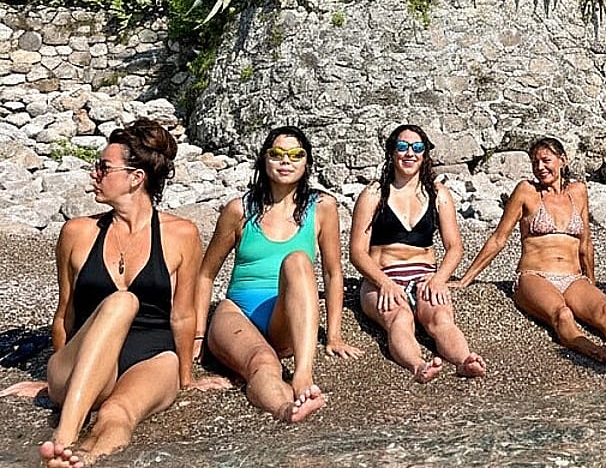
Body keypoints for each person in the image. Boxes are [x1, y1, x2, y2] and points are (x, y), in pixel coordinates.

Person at [34, 119, 217, 467]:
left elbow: (182, 314)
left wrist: (186, 378)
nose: (94, 174)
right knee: (122, 301)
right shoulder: (77, 232)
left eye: (104, 167)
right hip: (85, 356)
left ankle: (83, 459)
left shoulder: (182, 234)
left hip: (151, 356)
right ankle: (65, 437)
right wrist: (58, 375)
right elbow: (65, 315)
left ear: (136, 177)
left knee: (118, 413)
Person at [194, 126, 361, 423]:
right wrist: (197, 335)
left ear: (307, 162)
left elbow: (333, 273)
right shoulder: (239, 210)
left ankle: (303, 375)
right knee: (262, 361)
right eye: (277, 154)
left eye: (296, 154)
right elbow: (205, 275)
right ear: (264, 159)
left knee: (297, 260)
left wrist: (334, 335)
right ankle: (286, 409)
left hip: (285, 315)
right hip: (238, 313)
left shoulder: (322, 208)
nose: (286, 161)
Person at [454, 137, 606, 363]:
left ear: (562, 160)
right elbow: (498, 239)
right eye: (535, 162)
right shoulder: (526, 191)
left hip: (573, 278)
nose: (540, 167)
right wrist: (466, 279)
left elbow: (585, 244)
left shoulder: (578, 191)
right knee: (562, 314)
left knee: (605, 310)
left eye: (546, 160)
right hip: (534, 276)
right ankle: (596, 351)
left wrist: (591, 283)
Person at [349, 124, 485, 381]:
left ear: (425, 154)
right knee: (399, 317)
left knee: (441, 317)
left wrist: (439, 279)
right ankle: (417, 365)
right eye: (402, 147)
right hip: (383, 276)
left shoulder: (437, 193)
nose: (409, 153)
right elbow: (357, 252)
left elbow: (455, 247)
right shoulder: (374, 194)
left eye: (417, 147)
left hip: (424, 275)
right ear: (392, 152)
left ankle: (464, 360)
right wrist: (384, 283)